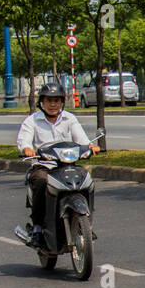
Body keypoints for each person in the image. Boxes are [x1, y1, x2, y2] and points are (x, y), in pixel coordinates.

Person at [16, 82, 100, 248]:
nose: (53, 104)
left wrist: (90, 147)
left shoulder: (70, 118)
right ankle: (38, 228)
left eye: (56, 100)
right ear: (42, 102)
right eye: (49, 100)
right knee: (40, 180)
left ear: (62, 102)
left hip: (67, 165)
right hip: (43, 166)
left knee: (86, 180)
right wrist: (27, 148)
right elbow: (24, 140)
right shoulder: (32, 121)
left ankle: (86, 225)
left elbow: (82, 140)